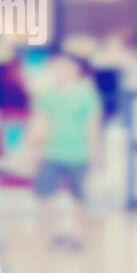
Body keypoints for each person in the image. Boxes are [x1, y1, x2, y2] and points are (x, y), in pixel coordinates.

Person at [30, 53, 102, 249]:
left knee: (80, 197)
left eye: (66, 67)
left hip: (78, 153)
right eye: (57, 67)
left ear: (75, 69)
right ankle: (58, 233)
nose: (61, 71)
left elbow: (92, 125)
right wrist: (33, 150)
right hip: (51, 152)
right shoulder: (47, 95)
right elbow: (40, 122)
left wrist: (94, 153)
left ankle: (81, 236)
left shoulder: (86, 94)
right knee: (45, 195)